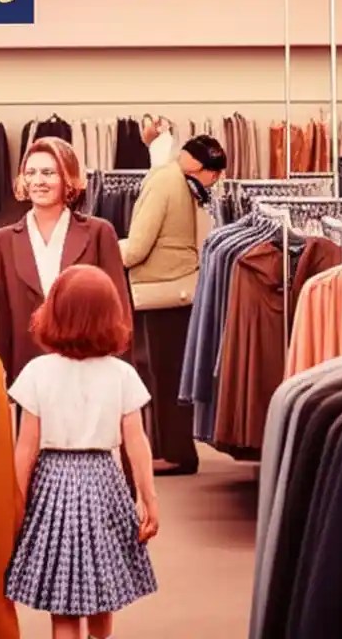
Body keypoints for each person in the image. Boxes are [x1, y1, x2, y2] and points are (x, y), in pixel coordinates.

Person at [4, 264, 160, 639]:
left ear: (54, 313)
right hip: (104, 482)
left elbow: (25, 449)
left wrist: (15, 506)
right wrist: (148, 498)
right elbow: (137, 442)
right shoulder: (121, 374)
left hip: (52, 485)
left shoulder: (38, 372)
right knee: (103, 590)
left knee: (63, 601)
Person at [0, 136, 131, 383]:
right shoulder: (3, 240)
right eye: (30, 173)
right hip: (26, 375)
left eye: (48, 173)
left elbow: (119, 311)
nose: (38, 181)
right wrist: (0, 382)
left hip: (89, 370)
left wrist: (118, 378)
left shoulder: (99, 233)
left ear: (68, 178)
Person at [119, 135, 224, 476]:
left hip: (159, 290)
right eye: (213, 173)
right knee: (171, 373)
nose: (214, 180)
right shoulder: (185, 186)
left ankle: (175, 454)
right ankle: (172, 451)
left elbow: (138, 245)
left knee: (164, 375)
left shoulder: (165, 181)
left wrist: (105, 249)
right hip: (180, 288)